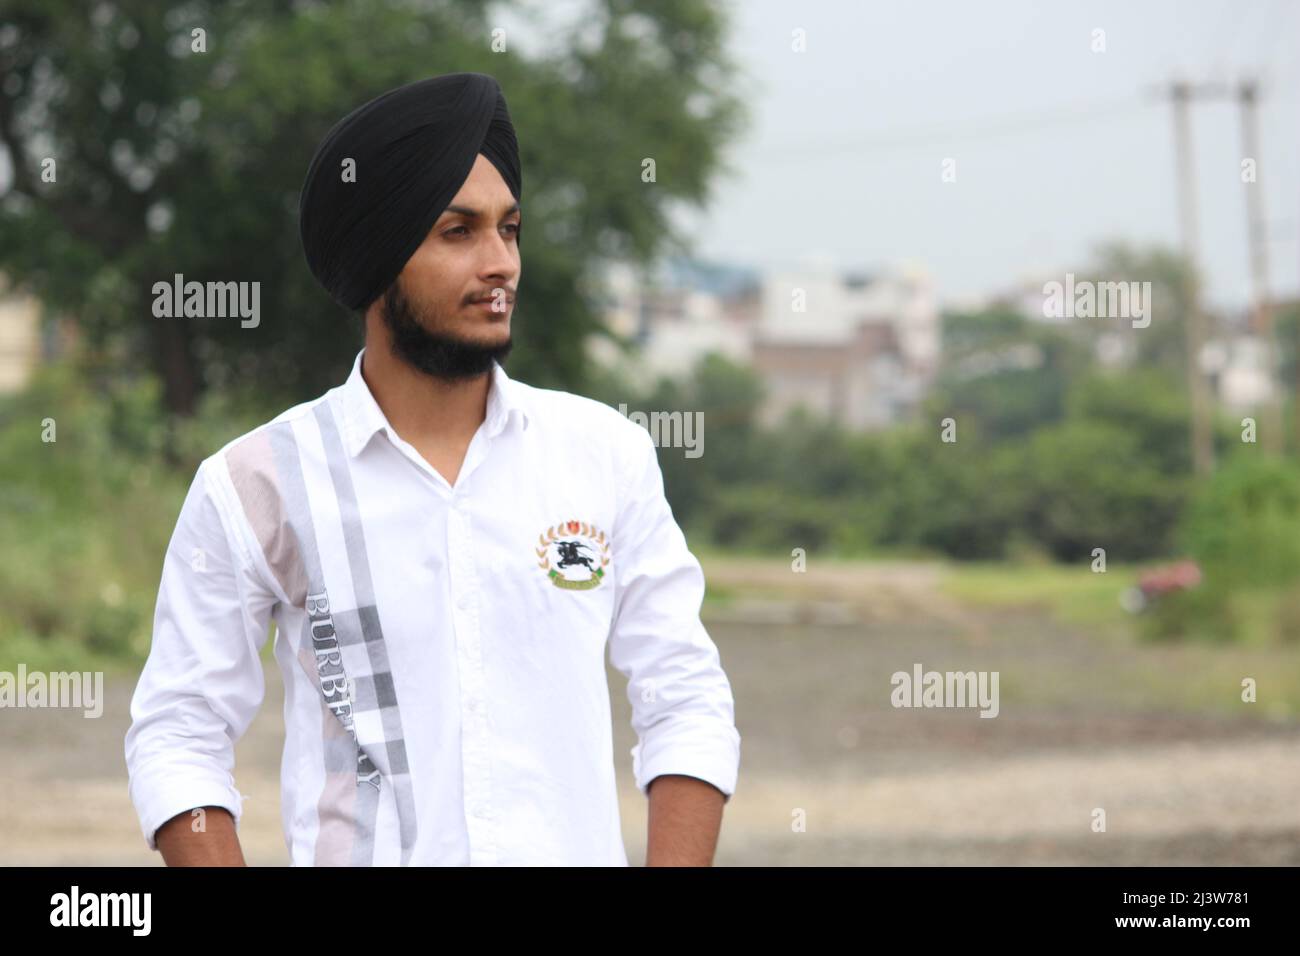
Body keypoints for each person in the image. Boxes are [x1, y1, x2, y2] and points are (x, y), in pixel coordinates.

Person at [124, 72, 740, 866]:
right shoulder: (258, 483)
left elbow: (684, 697)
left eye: (509, 230)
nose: (501, 264)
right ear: (380, 258)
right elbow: (179, 733)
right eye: (459, 233)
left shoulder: (602, 455)